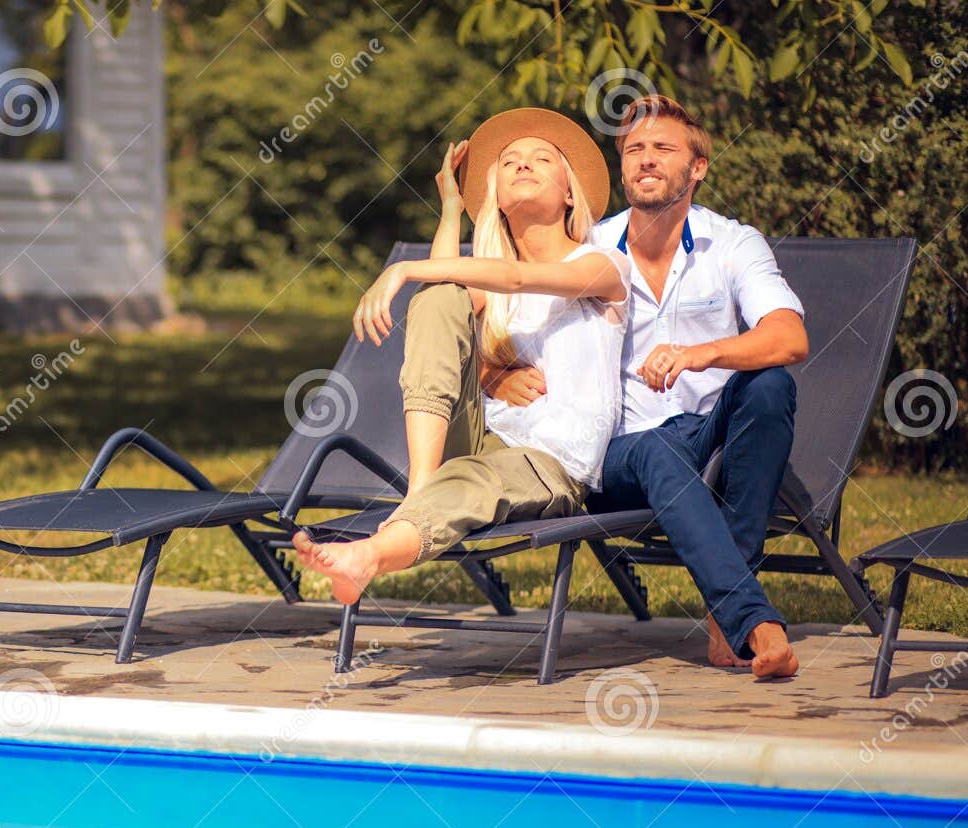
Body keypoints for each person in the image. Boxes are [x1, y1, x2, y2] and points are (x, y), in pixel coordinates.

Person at [484, 95, 805, 679]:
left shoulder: (733, 244)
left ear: (698, 167)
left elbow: (788, 336)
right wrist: (495, 374)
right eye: (634, 150)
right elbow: (505, 325)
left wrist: (701, 354)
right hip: (620, 452)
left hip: (713, 443)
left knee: (769, 385)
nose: (647, 160)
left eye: (664, 149)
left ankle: (722, 609)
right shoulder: (589, 252)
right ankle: (751, 621)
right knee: (656, 447)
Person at [290, 108, 631, 615]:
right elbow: (444, 298)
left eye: (542, 158)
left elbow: (514, 279)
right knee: (439, 298)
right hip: (479, 440)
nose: (522, 163)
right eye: (509, 161)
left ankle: (369, 555)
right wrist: (452, 210)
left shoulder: (603, 265)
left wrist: (403, 268)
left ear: (568, 194)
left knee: (476, 480)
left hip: (552, 462)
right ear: (495, 195)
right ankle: (421, 490)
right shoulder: (491, 280)